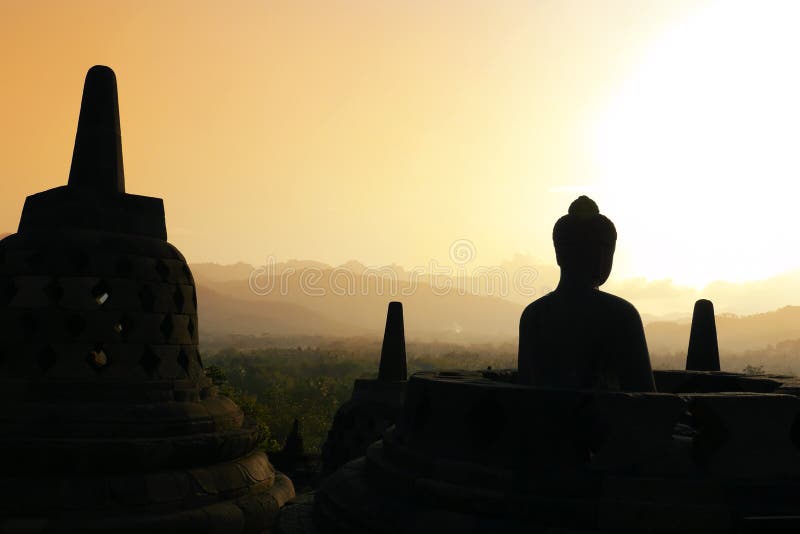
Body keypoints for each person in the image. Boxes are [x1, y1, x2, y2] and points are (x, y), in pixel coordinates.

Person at [517, 196, 656, 391]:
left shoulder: (533, 315)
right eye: (607, 249)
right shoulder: (620, 315)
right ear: (602, 254)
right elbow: (646, 399)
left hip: (543, 420)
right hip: (604, 421)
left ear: (559, 254)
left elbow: (524, 394)